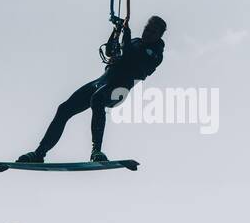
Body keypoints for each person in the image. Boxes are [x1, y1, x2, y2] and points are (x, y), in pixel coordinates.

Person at [18, 15, 167, 163]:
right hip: (102, 82)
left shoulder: (155, 54)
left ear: (159, 36)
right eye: (147, 29)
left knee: (97, 98)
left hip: (119, 89)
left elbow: (129, 56)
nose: (147, 33)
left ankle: (96, 150)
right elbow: (110, 51)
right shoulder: (135, 41)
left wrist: (126, 34)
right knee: (64, 109)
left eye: (153, 32)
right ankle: (39, 153)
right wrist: (116, 31)